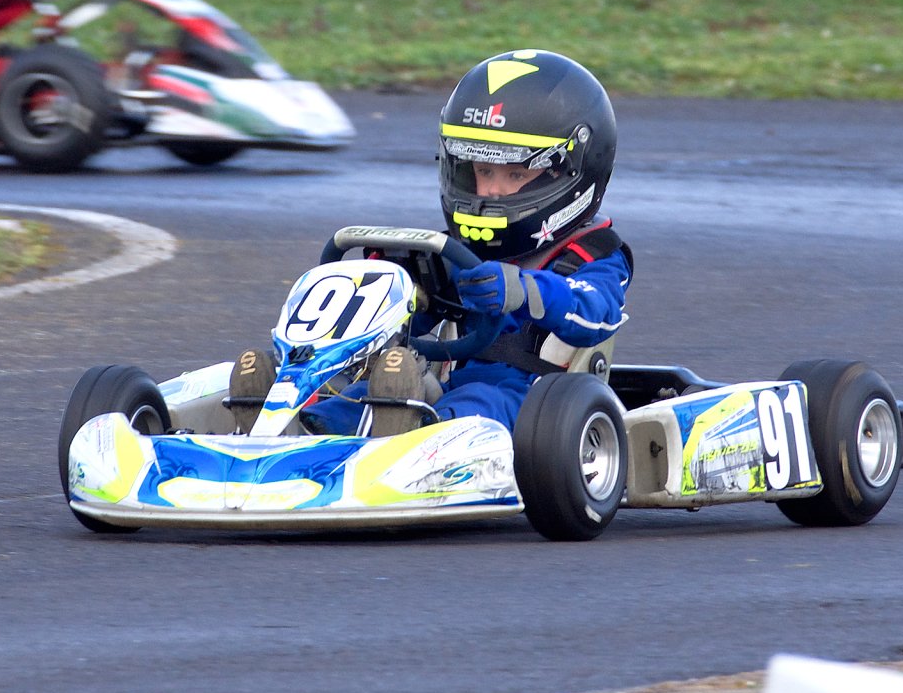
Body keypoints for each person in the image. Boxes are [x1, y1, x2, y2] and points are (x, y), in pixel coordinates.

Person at [231, 50, 631, 436]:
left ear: (569, 173)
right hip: (439, 382)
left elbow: (596, 314)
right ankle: (294, 429)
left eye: (514, 175)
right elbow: (416, 325)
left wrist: (524, 290)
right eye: (483, 171)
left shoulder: (595, 254)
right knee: (369, 392)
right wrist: (401, 297)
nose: (490, 191)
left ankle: (413, 439)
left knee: (475, 403)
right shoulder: (455, 251)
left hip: (531, 402)